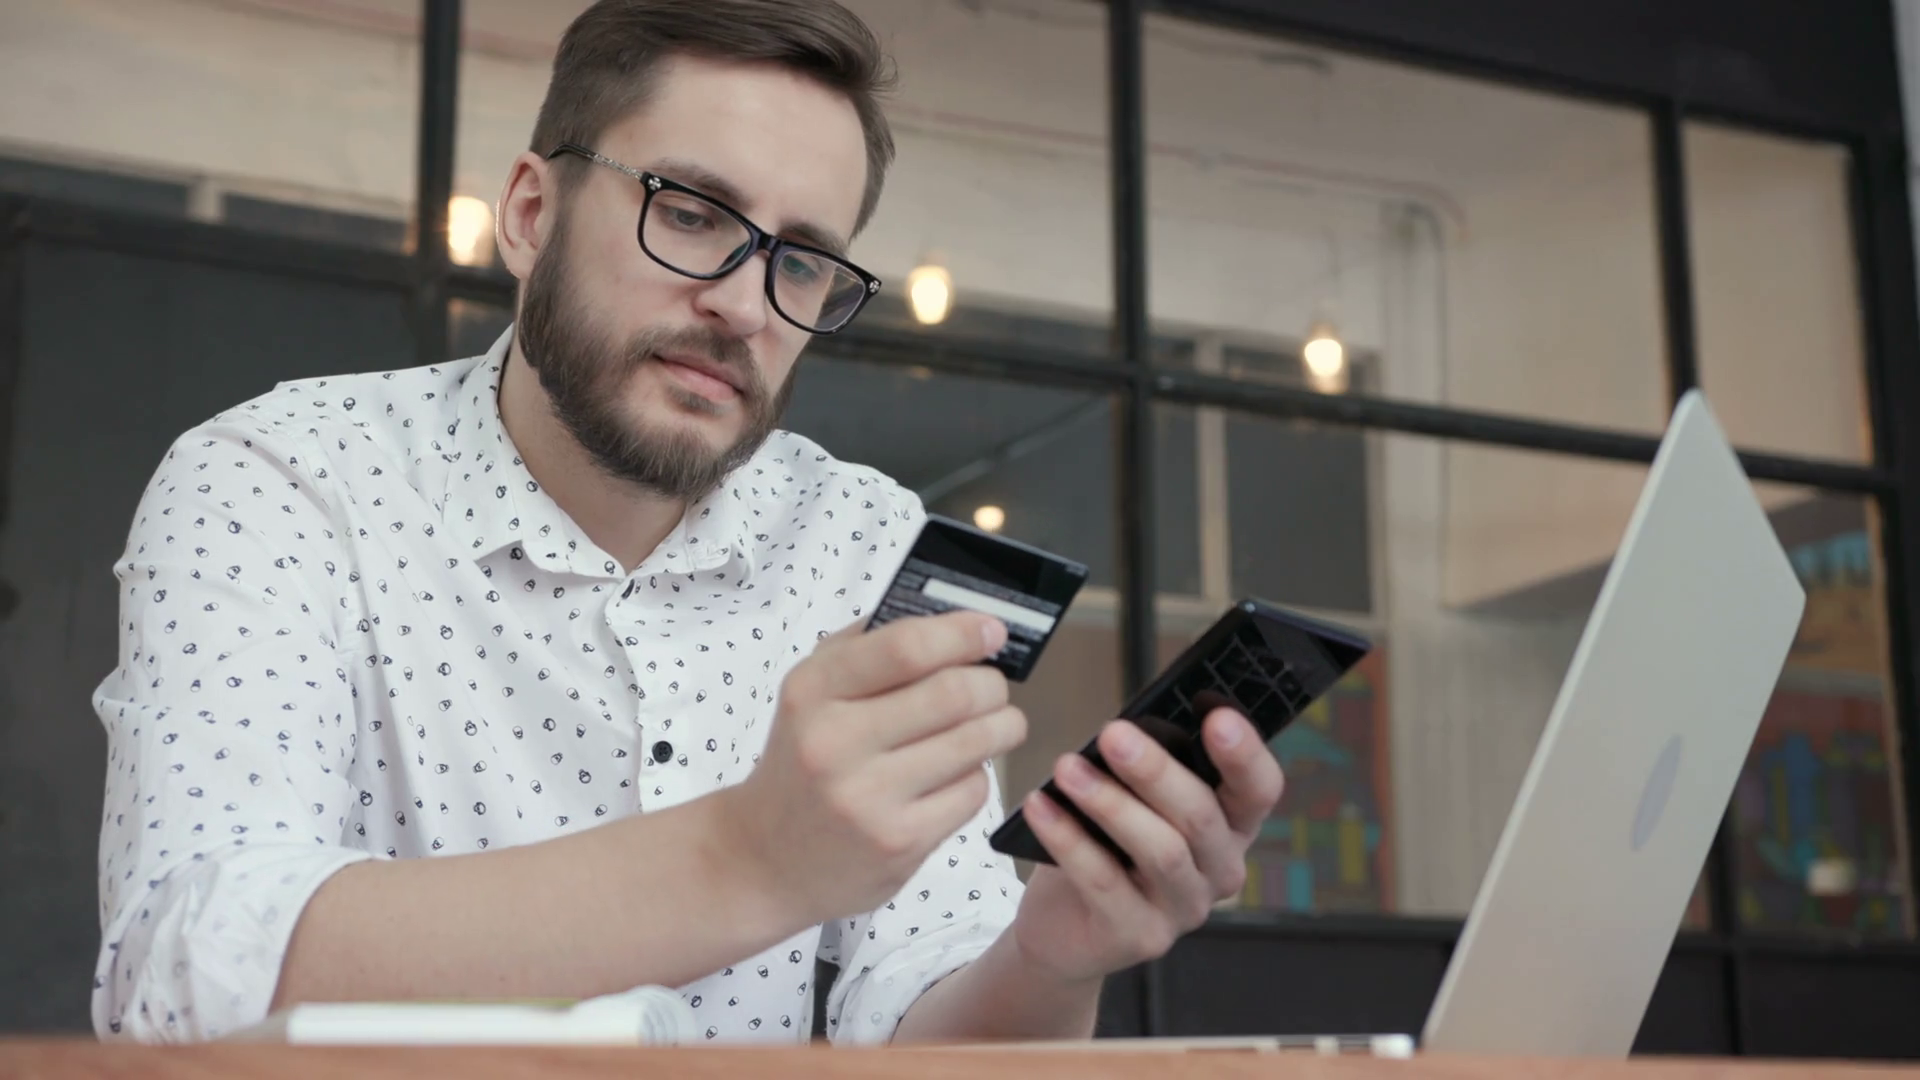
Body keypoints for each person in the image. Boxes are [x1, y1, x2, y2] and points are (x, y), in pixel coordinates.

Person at [91, 0, 1283, 1045]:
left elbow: (920, 1025)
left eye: (804, 262)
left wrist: (1049, 955)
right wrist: (751, 858)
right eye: (693, 212)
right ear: (527, 213)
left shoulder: (864, 546)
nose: (743, 306)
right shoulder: (284, 480)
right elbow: (188, 971)